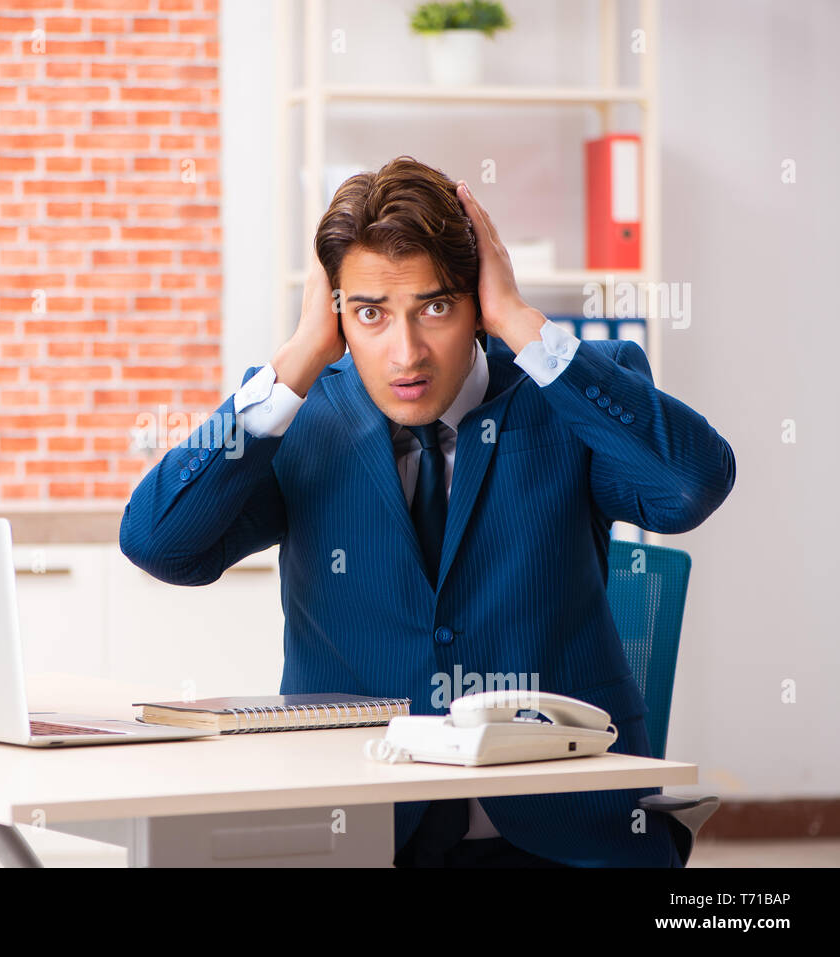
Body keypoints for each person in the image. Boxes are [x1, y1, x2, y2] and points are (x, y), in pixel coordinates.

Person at [118, 155, 736, 867]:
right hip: (359, 833)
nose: (404, 354)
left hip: (565, 838)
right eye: (371, 313)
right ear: (337, 312)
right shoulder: (304, 416)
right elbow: (160, 544)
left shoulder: (564, 395)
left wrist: (523, 324)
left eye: (435, 306)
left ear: (476, 300)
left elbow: (690, 487)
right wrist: (295, 361)